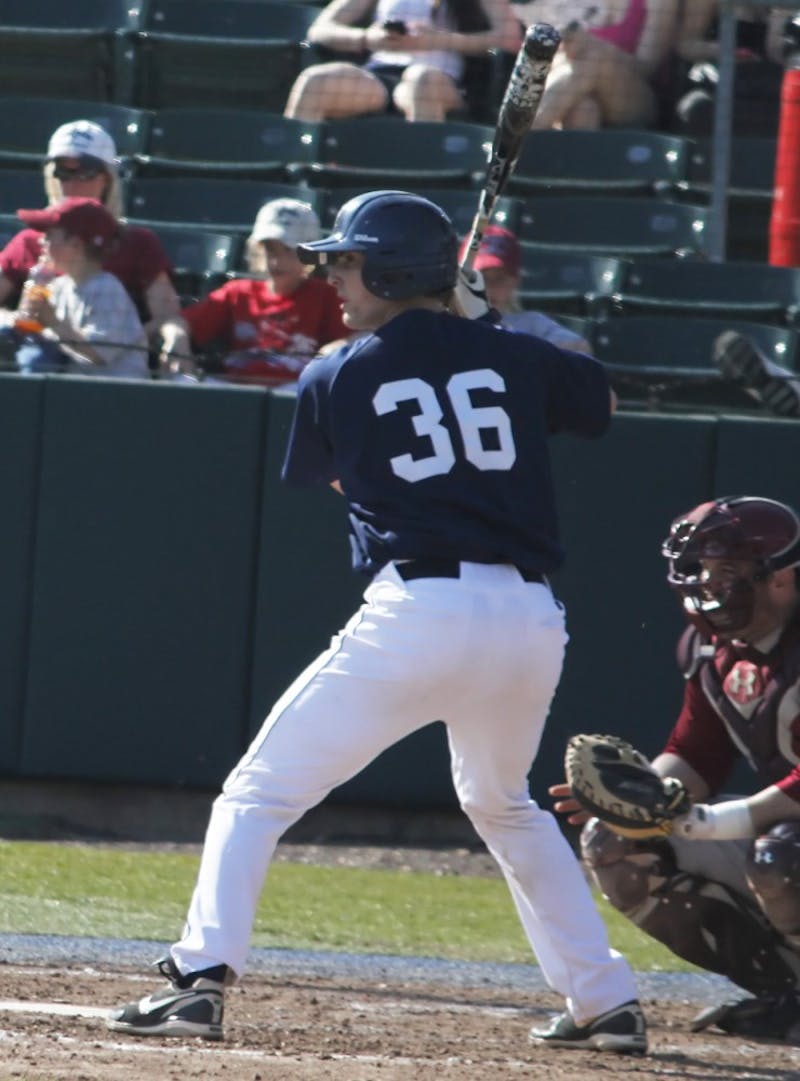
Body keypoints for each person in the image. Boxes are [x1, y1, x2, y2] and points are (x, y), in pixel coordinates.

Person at [107, 189, 646, 1054]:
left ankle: (198, 978)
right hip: (529, 619)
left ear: (394, 268)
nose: (335, 276)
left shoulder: (337, 369)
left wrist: (456, 329)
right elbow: (597, 401)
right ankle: (604, 999)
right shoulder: (516, 355)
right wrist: (484, 317)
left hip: (421, 610)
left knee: (256, 792)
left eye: (348, 261)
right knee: (504, 803)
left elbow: (340, 478)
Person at [550, 494, 800, 1043]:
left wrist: (709, 823)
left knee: (783, 856)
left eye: (727, 570)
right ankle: (790, 994)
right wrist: (638, 792)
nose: (709, 584)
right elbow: (699, 751)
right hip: (778, 818)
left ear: (782, 578)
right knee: (613, 841)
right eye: (703, 569)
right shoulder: (713, 648)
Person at [0, 120, 180, 340]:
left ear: (108, 180)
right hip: (37, 359)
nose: (72, 185)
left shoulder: (138, 242)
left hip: (104, 364)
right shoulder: (29, 240)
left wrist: (122, 347)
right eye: (63, 173)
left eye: (85, 173)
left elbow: (167, 316)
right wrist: (17, 320)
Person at [158, 199, 349, 385]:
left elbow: (361, 335)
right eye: (270, 250)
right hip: (236, 391)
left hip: (295, 392)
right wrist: (178, 337)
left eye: (289, 251)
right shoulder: (238, 293)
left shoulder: (325, 295)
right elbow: (178, 321)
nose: (276, 262)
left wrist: (339, 347)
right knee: (180, 381)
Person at [283, 0, 523, 122]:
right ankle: (290, 193)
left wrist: (440, 41)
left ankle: (425, 190)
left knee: (420, 82)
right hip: (379, 78)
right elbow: (320, 30)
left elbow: (510, 38)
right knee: (315, 81)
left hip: (441, 80)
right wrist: (368, 37)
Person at [1, 197, 149, 378]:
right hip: (74, 392)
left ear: (76, 245)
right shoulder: (58, 286)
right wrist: (23, 318)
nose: (41, 242)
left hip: (116, 396)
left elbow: (98, 354)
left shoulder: (107, 289)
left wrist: (53, 321)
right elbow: (38, 335)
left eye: (49, 236)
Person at [512, 0, 680, 130]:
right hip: (568, 86)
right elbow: (549, 62)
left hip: (634, 100)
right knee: (584, 110)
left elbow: (646, 68)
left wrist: (594, 45)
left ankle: (516, 140)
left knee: (594, 60)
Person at [461, 225, 592, 352]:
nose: (487, 288)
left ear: (515, 282)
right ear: (459, 280)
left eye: (499, 279)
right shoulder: (447, 324)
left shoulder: (531, 324)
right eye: (477, 278)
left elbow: (580, 347)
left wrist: (515, 349)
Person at [672, 2, 790, 137]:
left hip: (766, 83)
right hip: (717, 76)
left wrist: (780, 17)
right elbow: (686, 45)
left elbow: (777, 54)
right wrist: (725, 50)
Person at [713, 329, 800, 419]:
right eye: (729, 364)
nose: (739, 369)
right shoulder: (722, 398)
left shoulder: (789, 379)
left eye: (744, 358)